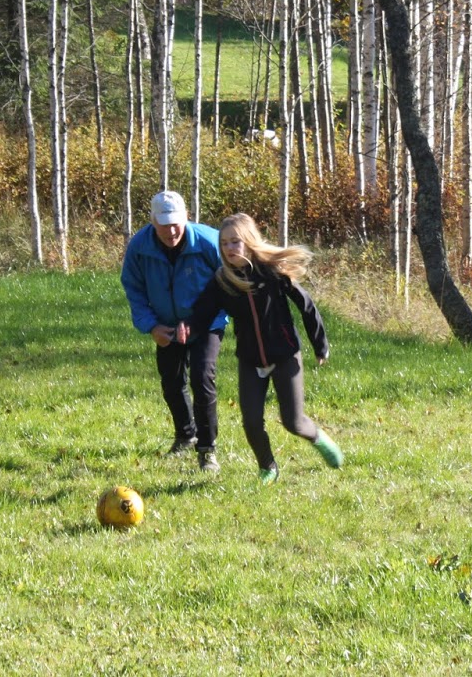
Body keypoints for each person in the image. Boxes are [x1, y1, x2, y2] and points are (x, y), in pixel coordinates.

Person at [186, 213, 343, 484]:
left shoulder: (272, 272)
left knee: (293, 422)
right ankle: (268, 467)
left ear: (248, 242)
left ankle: (320, 438)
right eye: (224, 243)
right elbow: (202, 314)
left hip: (285, 356)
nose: (230, 248)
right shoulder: (222, 281)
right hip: (250, 360)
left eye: (235, 241)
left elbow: (306, 305)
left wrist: (320, 345)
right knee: (251, 423)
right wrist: (185, 330)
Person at [121, 190, 227, 471]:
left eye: (176, 223)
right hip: (165, 324)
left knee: (202, 379)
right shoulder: (139, 247)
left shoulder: (209, 242)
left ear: (186, 218)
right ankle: (186, 435)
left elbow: (232, 283)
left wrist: (201, 321)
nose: (171, 231)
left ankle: (207, 450)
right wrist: (151, 325)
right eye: (164, 224)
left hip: (207, 323)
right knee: (171, 382)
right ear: (152, 221)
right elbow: (134, 289)